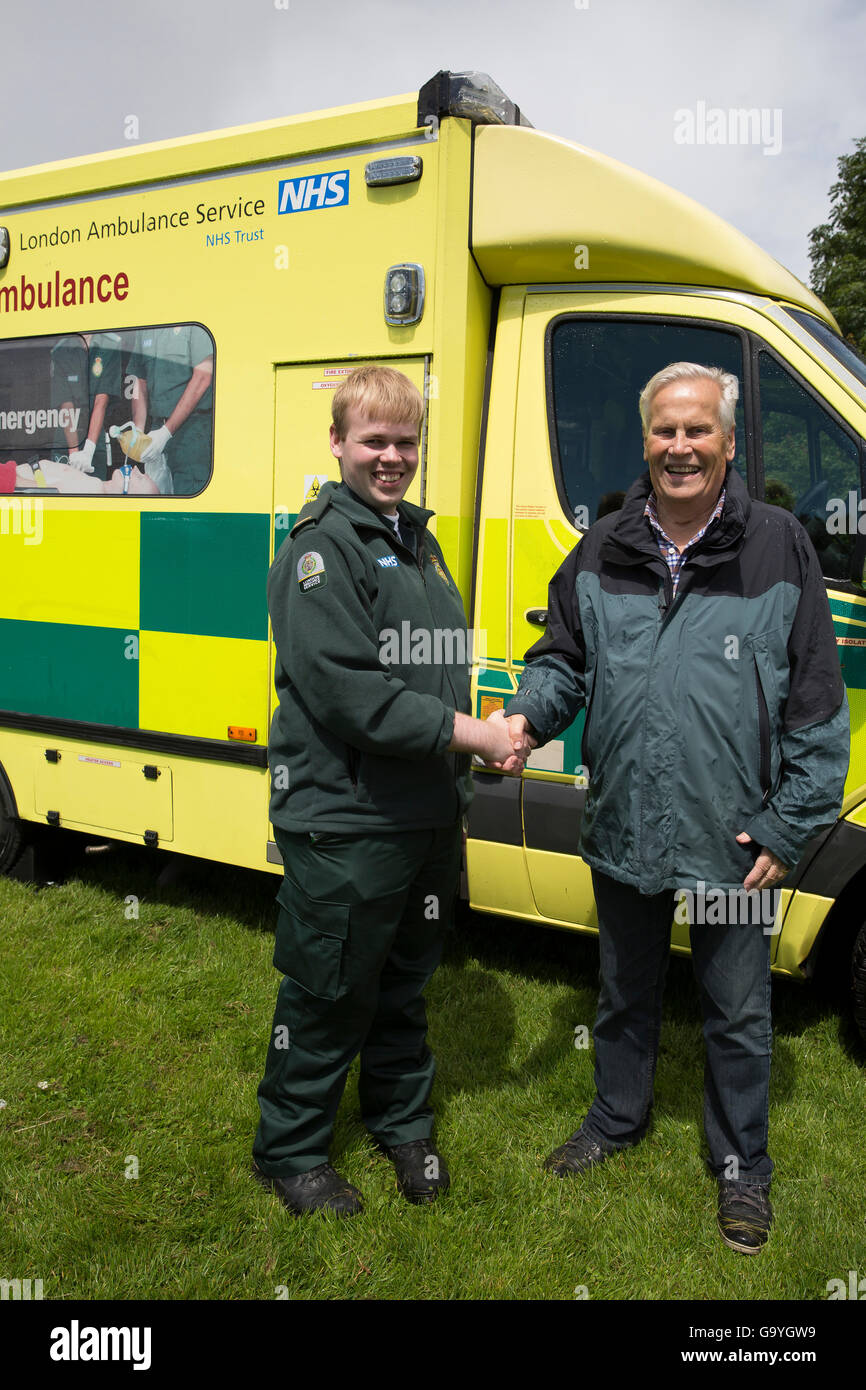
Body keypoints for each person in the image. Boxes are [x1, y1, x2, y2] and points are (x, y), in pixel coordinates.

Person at [496, 362, 849, 1254]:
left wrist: (788, 821)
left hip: (738, 833)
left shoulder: (779, 545)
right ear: (645, 441)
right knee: (624, 992)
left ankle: (742, 1170)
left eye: (699, 431)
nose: (680, 447)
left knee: (737, 1010)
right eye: (665, 431)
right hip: (625, 821)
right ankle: (616, 1119)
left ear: (728, 444)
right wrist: (527, 719)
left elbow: (815, 698)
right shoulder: (605, 542)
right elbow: (563, 660)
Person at [252, 364, 522, 1217]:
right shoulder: (317, 549)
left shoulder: (418, 539)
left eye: (406, 441)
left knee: (407, 982)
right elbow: (349, 692)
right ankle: (290, 1151)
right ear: (337, 443)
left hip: (427, 815)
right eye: (374, 440)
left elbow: (435, 670)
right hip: (349, 818)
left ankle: (402, 1123)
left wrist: (473, 727)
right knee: (330, 992)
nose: (392, 456)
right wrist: (476, 735)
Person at [127, 325, 214, 494]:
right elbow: (139, 382)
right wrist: (138, 429)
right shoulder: (146, 328)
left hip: (192, 432)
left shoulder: (193, 323)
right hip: (156, 430)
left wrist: (166, 432)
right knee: (156, 499)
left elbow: (203, 377)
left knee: (188, 497)